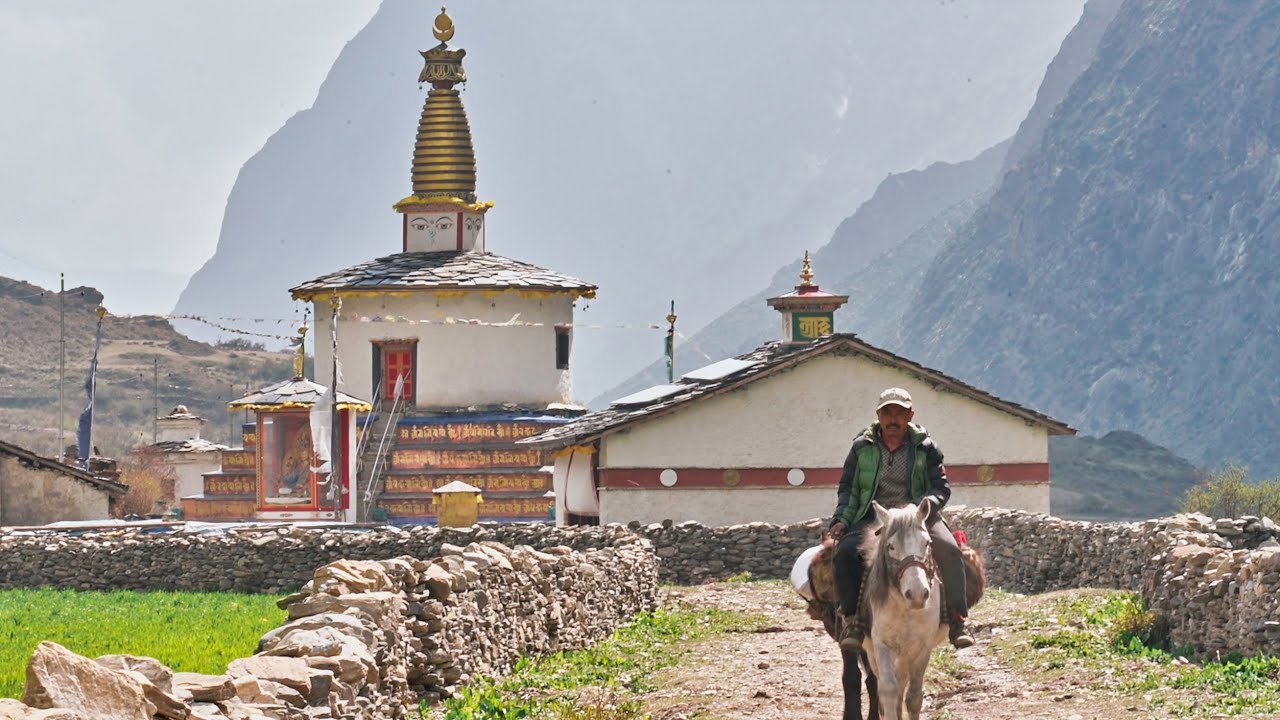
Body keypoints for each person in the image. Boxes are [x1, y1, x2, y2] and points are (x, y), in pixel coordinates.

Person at [829, 387, 974, 651]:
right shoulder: (862, 448)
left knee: (949, 550)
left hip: (917, 514)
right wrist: (842, 519)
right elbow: (848, 488)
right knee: (845, 554)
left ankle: (957, 619)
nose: (893, 419)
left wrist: (928, 504)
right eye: (887, 413)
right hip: (873, 516)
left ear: (910, 415)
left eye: (899, 413)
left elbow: (941, 486)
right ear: (878, 415)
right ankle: (852, 621)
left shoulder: (926, 448)